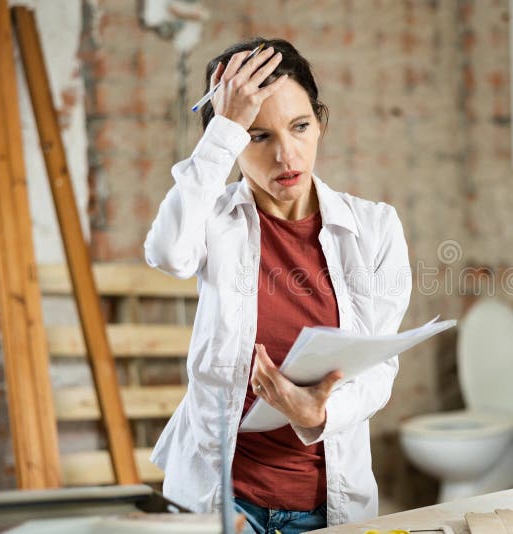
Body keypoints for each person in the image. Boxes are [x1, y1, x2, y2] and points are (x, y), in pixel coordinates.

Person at [143, 38, 412, 533]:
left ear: (321, 124)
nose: (287, 155)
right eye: (257, 136)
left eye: (300, 126)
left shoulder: (374, 227)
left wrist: (318, 414)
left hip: (326, 504)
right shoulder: (214, 220)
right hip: (222, 500)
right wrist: (224, 128)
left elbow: (378, 371)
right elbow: (168, 253)